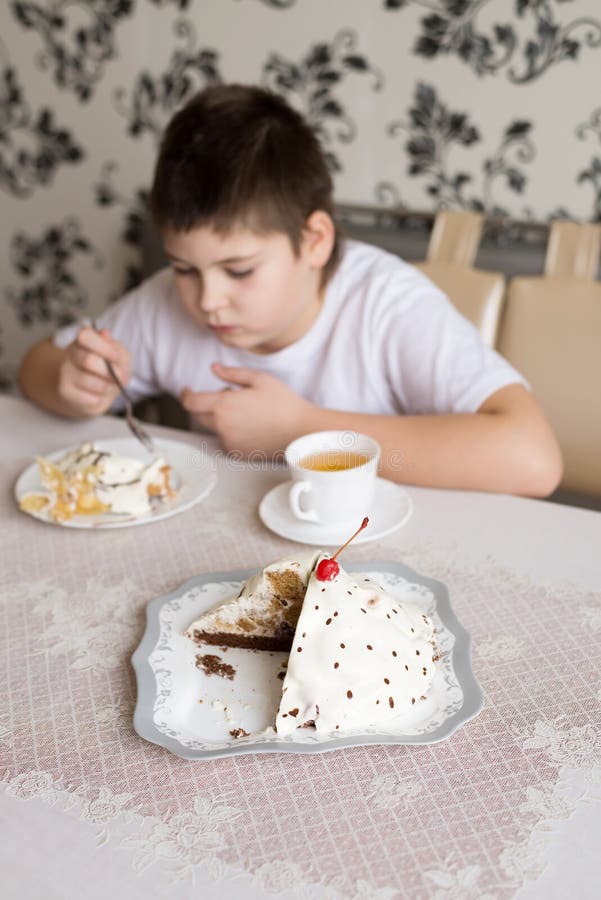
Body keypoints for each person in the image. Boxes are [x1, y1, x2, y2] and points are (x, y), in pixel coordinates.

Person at [19, 83, 562, 495]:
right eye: (185, 268)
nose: (207, 300)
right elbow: (35, 369)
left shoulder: (386, 305)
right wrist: (70, 382)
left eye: (239, 271)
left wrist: (301, 430)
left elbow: (533, 459)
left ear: (314, 241)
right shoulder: (167, 303)